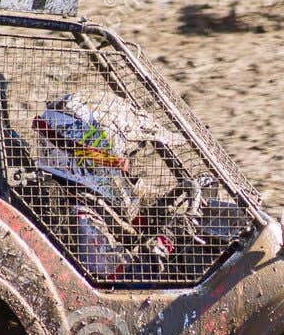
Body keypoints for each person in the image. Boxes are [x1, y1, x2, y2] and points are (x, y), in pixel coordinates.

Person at [32, 92, 196, 280]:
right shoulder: (81, 215)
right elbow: (127, 280)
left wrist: (163, 216)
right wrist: (166, 241)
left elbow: (133, 221)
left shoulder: (79, 196)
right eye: (126, 157)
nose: (127, 169)